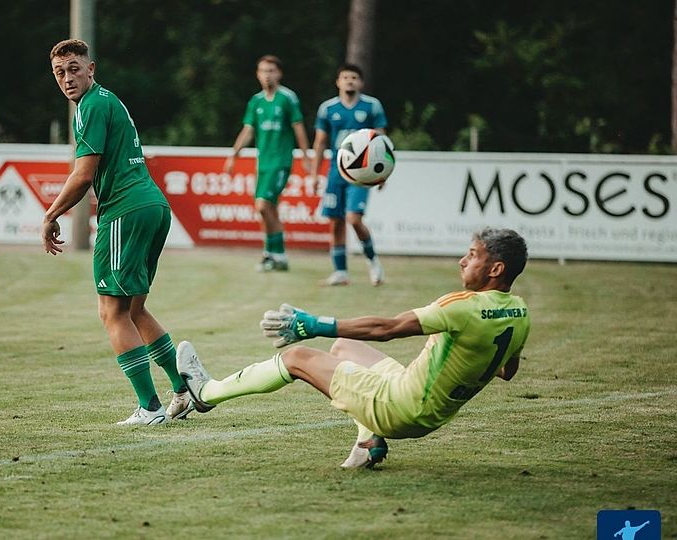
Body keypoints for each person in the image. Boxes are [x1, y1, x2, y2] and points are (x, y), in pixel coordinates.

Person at [177, 228, 530, 468]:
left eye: (472, 255)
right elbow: (506, 371)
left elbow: (388, 328)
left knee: (297, 358)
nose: (462, 261)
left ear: (495, 268)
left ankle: (205, 392)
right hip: (426, 409)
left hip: (399, 407)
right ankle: (367, 442)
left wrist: (314, 325)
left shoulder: (463, 305)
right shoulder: (520, 312)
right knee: (345, 347)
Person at [43, 39, 192, 425]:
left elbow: (83, 175)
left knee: (111, 311)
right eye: (60, 72)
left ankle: (150, 407)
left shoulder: (90, 106)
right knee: (134, 309)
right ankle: (183, 389)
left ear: (91, 69)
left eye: (74, 68)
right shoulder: (107, 100)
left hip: (126, 210)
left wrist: (51, 214)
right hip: (152, 205)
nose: (67, 78)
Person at [224, 55, 311, 272]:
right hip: (262, 163)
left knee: (262, 205)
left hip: (280, 161)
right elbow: (248, 130)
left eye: (271, 70)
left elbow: (298, 127)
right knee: (267, 209)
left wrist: (306, 156)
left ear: (279, 73)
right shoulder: (256, 101)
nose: (267, 75)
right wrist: (234, 155)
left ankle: (274, 253)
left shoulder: (287, 98)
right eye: (263, 71)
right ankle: (274, 254)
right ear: (257, 74)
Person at [310, 64, 388, 286]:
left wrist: (383, 174)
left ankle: (373, 262)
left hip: (361, 173)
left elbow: (381, 141)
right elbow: (320, 142)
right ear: (338, 82)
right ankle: (341, 272)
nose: (350, 81)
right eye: (345, 77)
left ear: (360, 82)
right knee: (335, 222)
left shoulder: (372, 106)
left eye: (354, 77)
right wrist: (315, 174)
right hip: (336, 172)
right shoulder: (328, 108)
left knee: (353, 219)